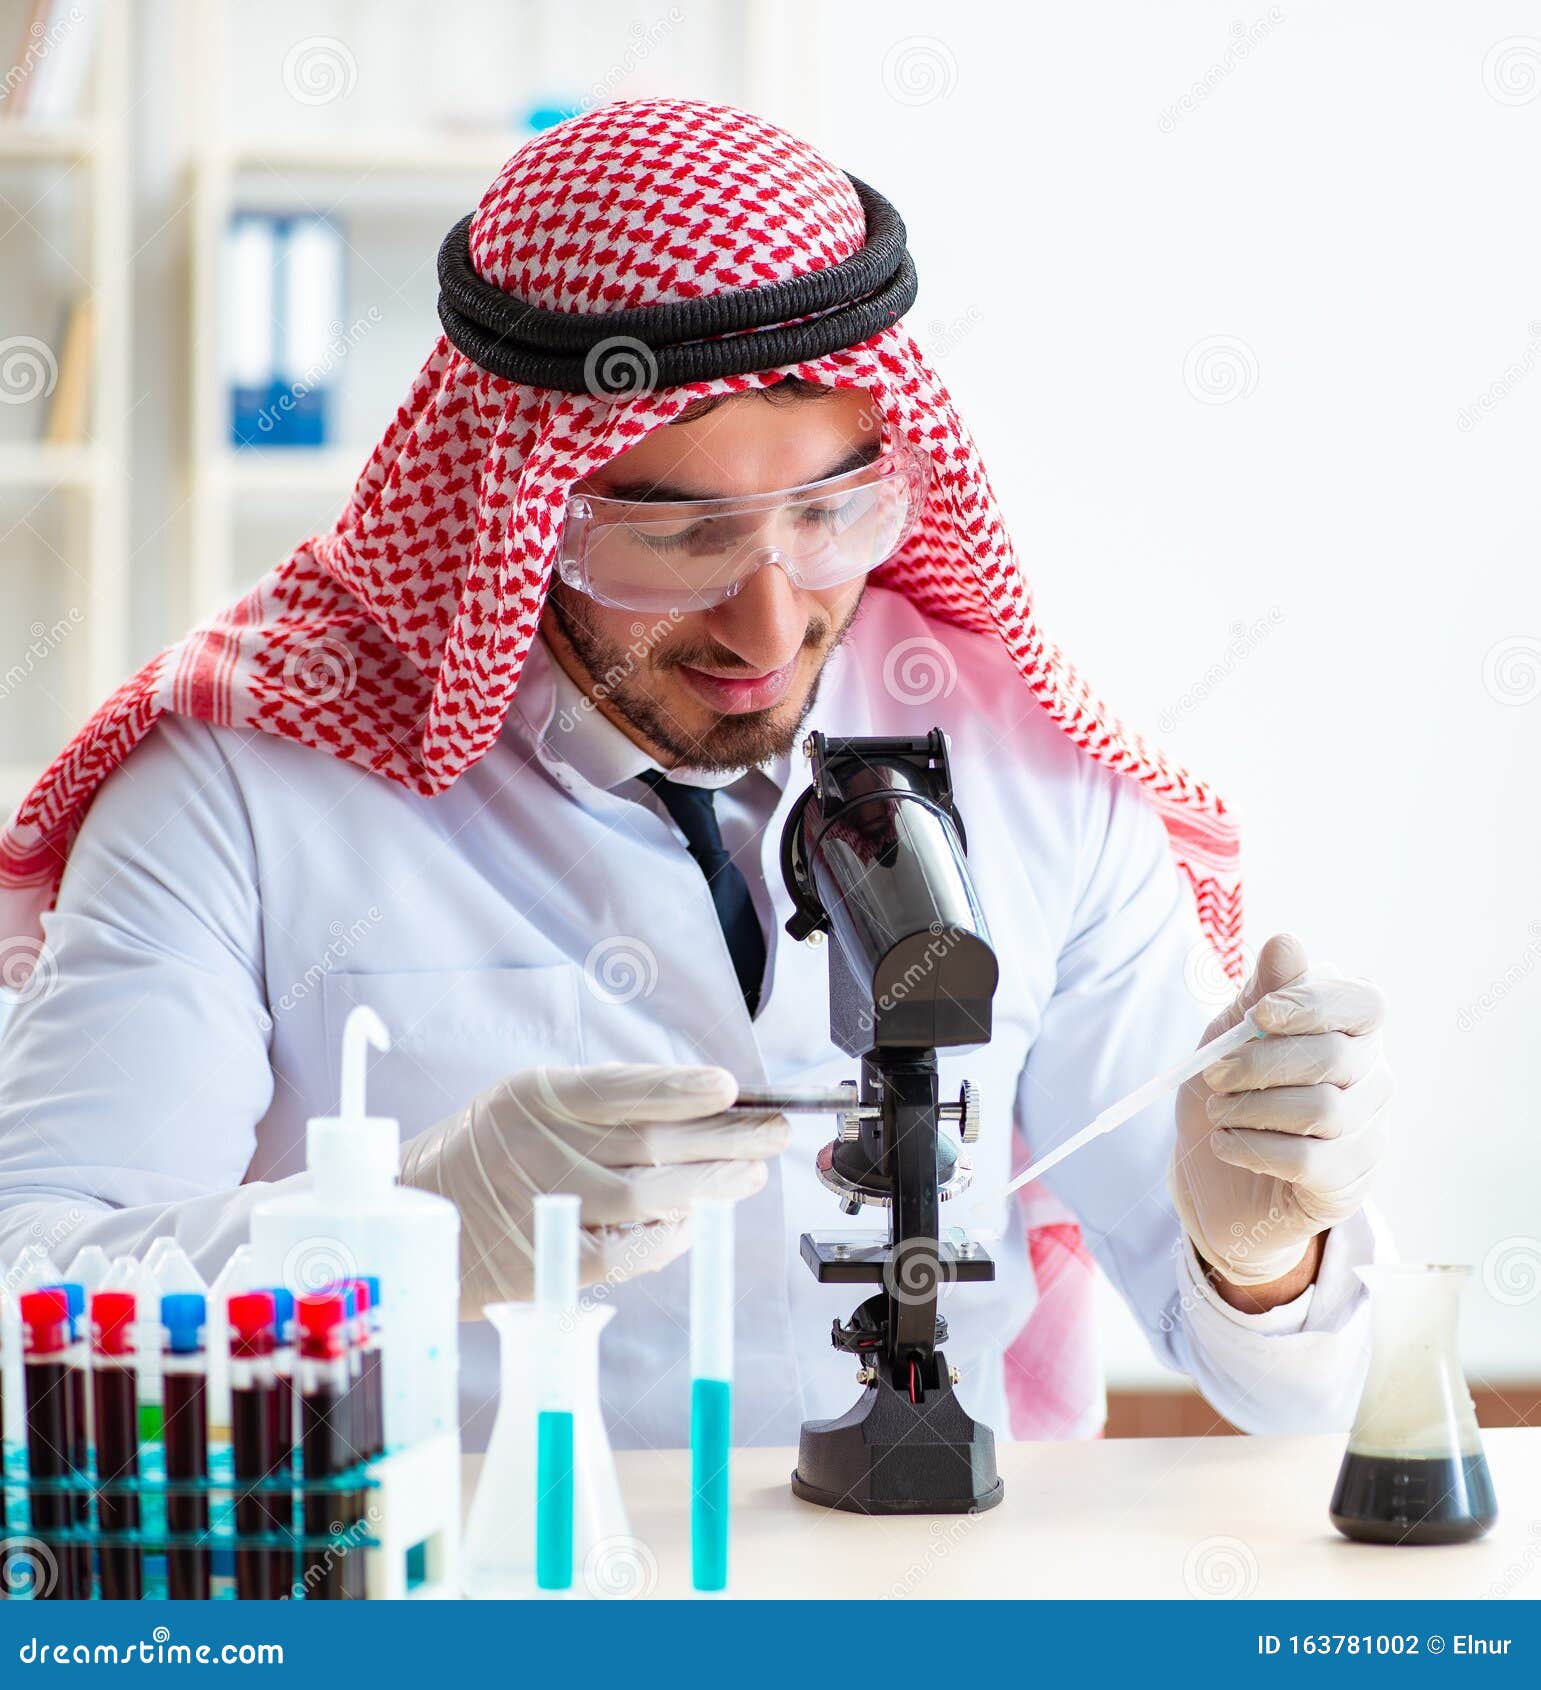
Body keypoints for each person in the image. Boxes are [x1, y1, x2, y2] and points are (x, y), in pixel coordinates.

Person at [0, 100, 1391, 1451]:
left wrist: (1259, 1246)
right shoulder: (243, 785)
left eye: (829, 511)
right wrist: (404, 1234)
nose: (770, 624)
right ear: (520, 510)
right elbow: (29, 1298)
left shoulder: (1028, 762)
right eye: (674, 539)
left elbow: (1281, 1390)